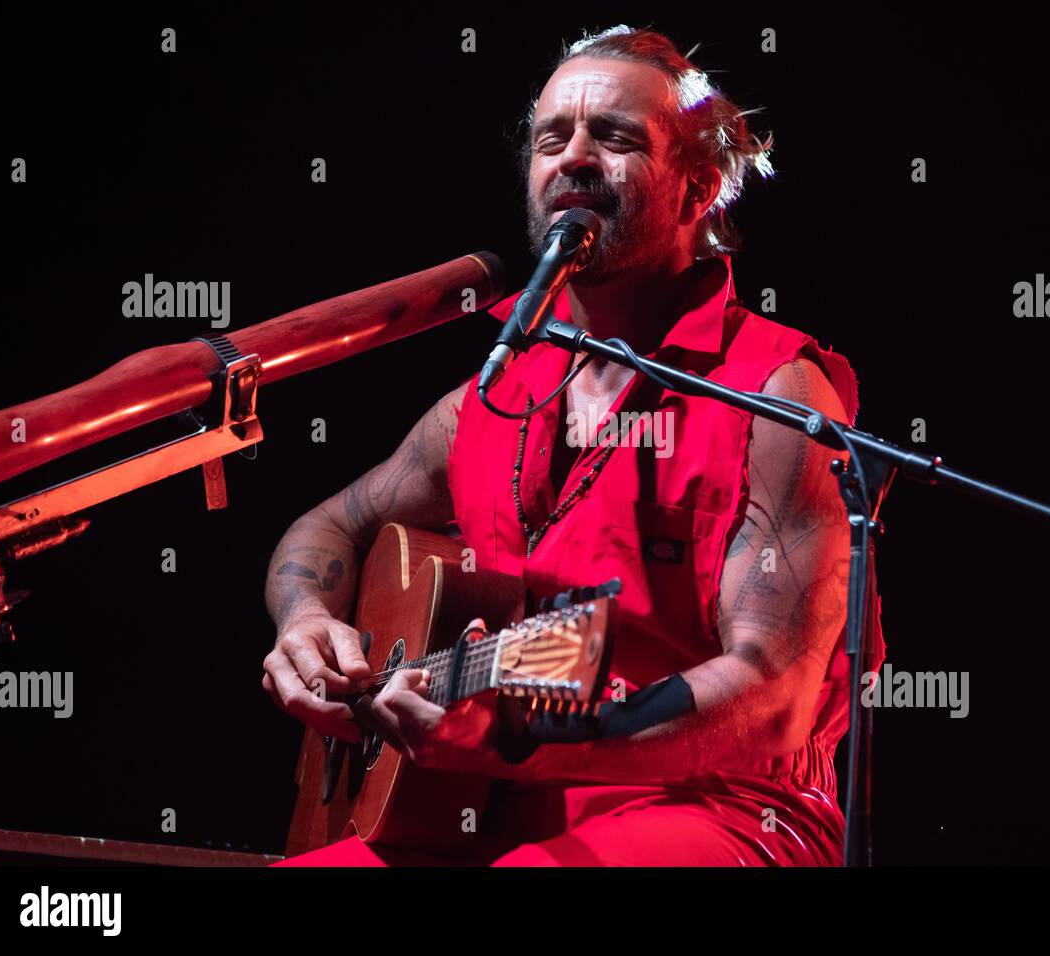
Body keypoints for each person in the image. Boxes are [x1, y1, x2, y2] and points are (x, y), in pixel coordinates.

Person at [263, 24, 884, 866]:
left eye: (616, 137)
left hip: (728, 811)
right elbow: (325, 526)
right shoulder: (493, 396)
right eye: (552, 138)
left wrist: (520, 741)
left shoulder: (776, 391)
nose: (574, 157)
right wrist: (304, 621)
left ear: (699, 189)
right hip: (485, 807)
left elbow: (771, 695)